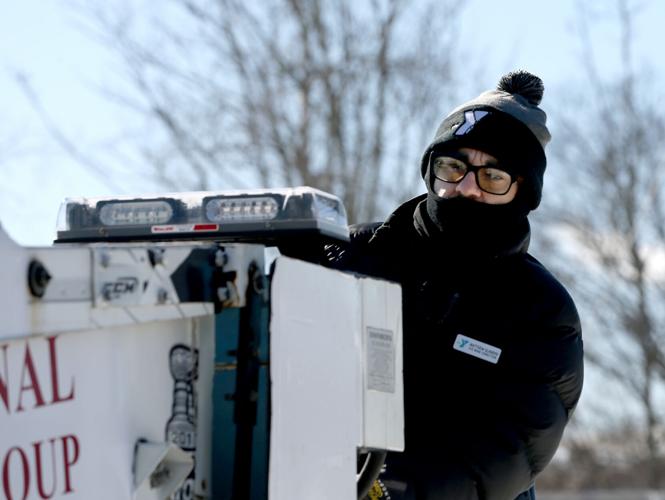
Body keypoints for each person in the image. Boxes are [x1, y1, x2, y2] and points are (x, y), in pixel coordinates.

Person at [323, 70, 584, 499]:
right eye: (452, 166)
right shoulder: (348, 254)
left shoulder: (541, 310)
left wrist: (391, 490)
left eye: (493, 176)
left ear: (521, 191)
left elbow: (510, 452)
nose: (465, 188)